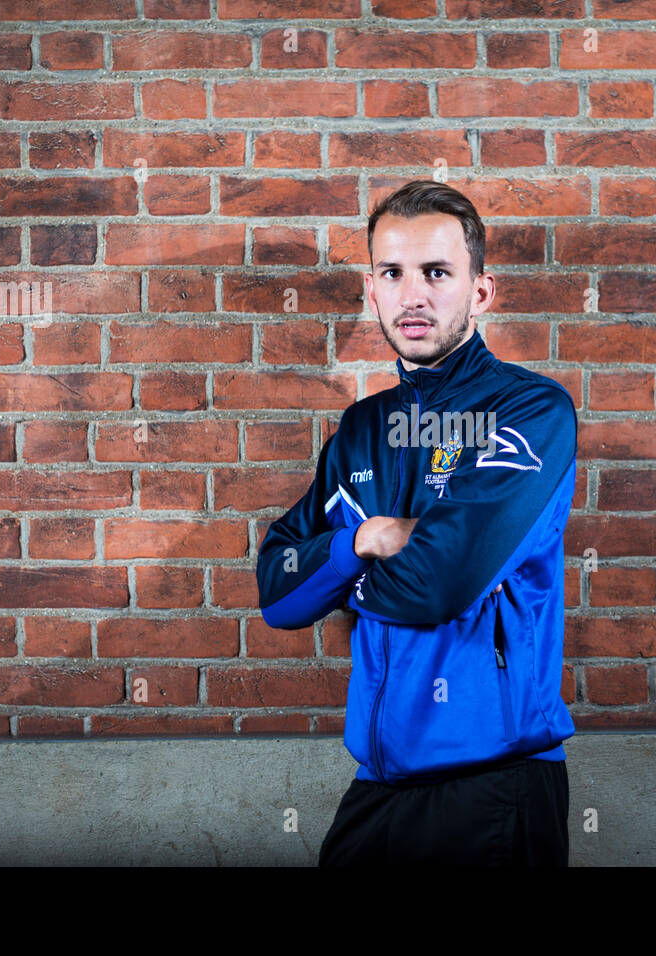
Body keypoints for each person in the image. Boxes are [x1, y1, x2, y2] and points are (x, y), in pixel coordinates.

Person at [255, 180, 578, 866]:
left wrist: (341, 581)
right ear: (372, 291)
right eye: (392, 273)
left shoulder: (531, 413)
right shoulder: (361, 430)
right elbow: (278, 593)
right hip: (378, 786)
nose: (413, 295)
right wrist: (359, 544)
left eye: (436, 272)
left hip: (493, 789)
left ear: (480, 291)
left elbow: (436, 583)